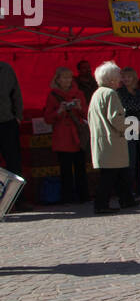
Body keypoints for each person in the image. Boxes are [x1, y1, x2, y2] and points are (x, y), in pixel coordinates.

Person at [87, 62, 136, 213]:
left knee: (119, 173)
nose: (120, 80)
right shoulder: (110, 94)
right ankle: (101, 205)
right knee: (109, 176)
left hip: (103, 140)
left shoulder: (98, 93)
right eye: (118, 77)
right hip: (111, 141)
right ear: (111, 79)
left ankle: (126, 199)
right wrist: (133, 125)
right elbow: (117, 119)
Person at [43, 68, 89, 203]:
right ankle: (68, 198)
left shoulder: (78, 93)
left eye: (69, 78)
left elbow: (87, 114)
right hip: (63, 137)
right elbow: (47, 119)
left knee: (81, 167)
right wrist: (60, 110)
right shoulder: (52, 95)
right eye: (63, 78)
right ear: (57, 79)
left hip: (78, 135)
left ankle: (83, 196)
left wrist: (79, 108)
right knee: (66, 170)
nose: (67, 81)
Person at [117, 68, 140, 200]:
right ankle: (129, 189)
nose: (126, 80)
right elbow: (125, 109)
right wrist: (136, 112)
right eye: (124, 77)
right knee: (130, 160)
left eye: (129, 77)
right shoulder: (119, 93)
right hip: (128, 129)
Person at [0, 59, 23, 176]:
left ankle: (16, 194)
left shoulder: (6, 69)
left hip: (7, 122)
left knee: (13, 163)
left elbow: (16, 93)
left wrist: (18, 116)